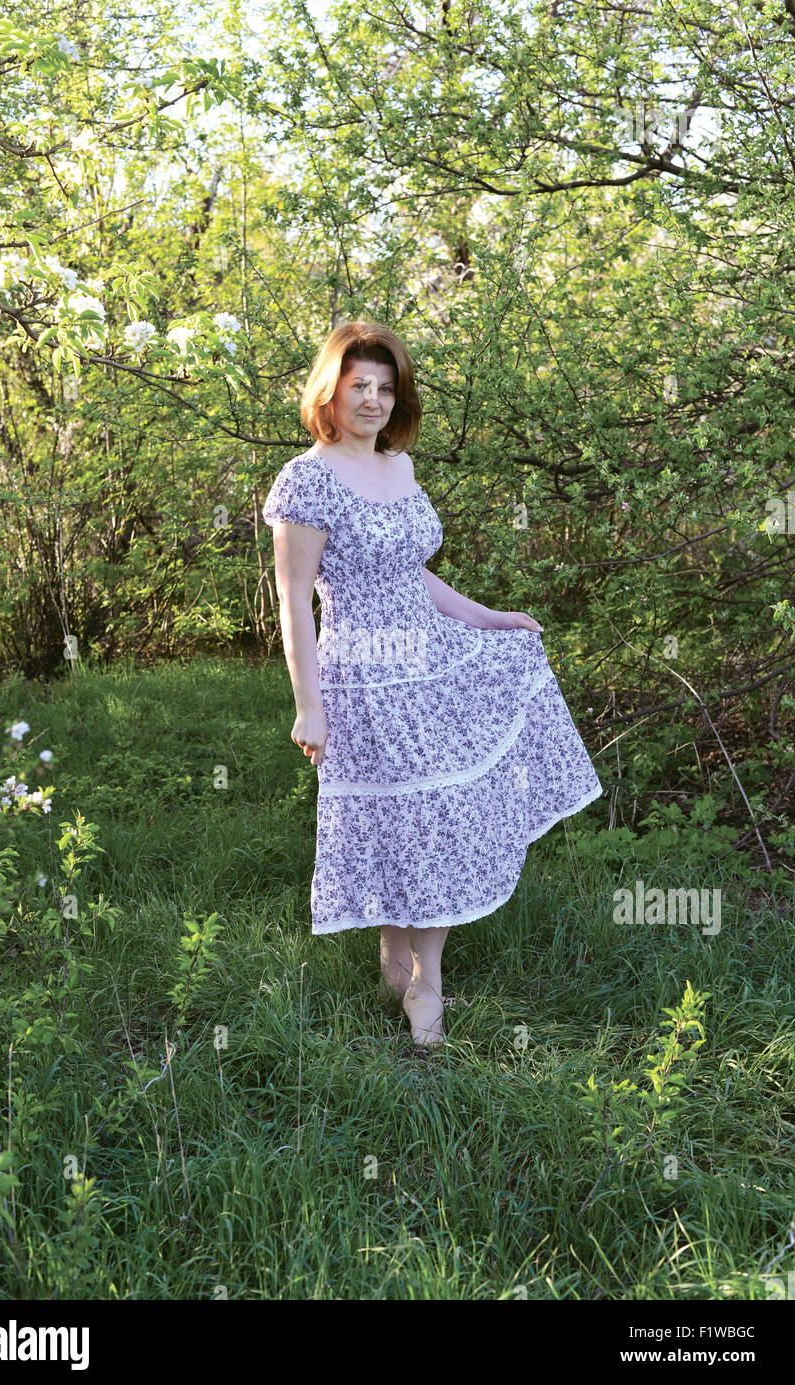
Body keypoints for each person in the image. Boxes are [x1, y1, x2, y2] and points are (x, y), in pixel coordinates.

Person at [262, 320, 603, 1048]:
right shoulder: (306, 479)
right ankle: (417, 980)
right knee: (403, 813)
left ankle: (416, 970)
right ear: (331, 389)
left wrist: (485, 617)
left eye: (387, 388)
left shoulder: (399, 467)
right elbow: (293, 598)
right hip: (361, 672)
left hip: (427, 657)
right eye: (360, 386)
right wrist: (308, 706)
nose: (375, 401)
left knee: (434, 808)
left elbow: (410, 570)